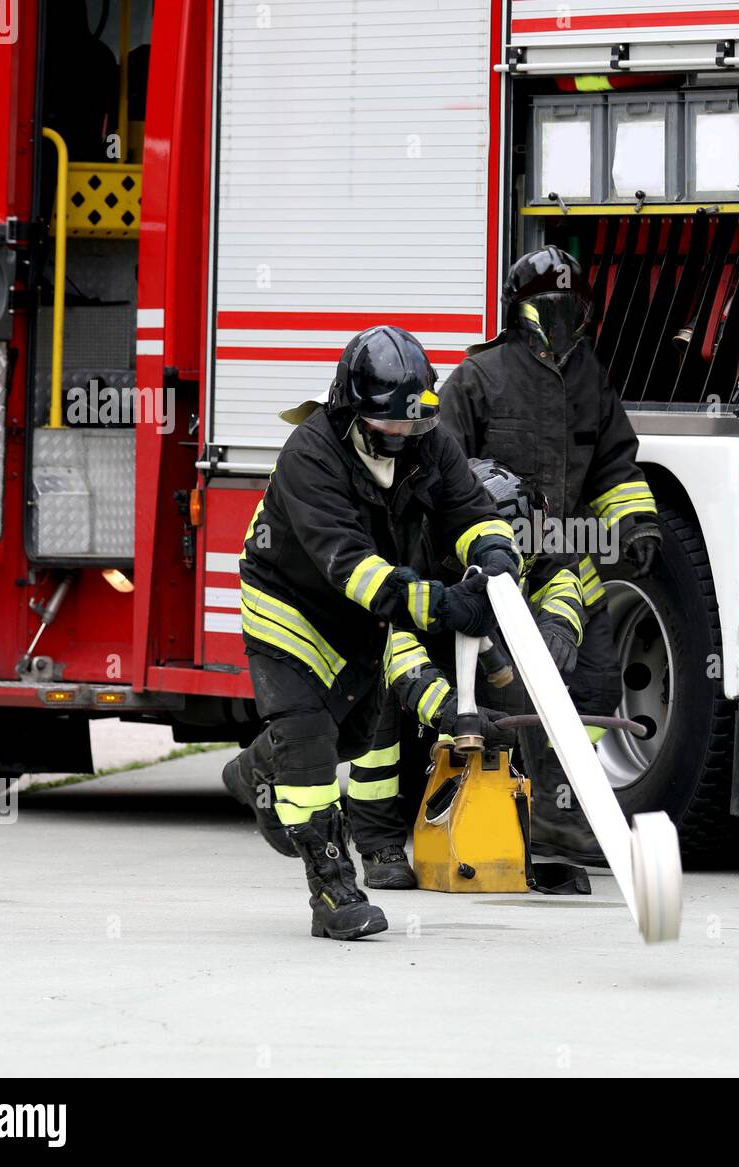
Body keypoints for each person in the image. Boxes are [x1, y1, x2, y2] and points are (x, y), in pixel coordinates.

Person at [222, 326, 521, 941]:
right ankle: (332, 891)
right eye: (389, 427)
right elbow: (349, 565)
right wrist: (442, 606)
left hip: (363, 610)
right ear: (351, 411)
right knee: (308, 740)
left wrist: (495, 558)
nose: (403, 439)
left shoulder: (427, 442)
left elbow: (469, 510)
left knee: (350, 736)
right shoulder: (310, 455)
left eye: (412, 426)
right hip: (291, 605)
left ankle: (257, 770)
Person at [440, 246, 662, 861]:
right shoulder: (478, 377)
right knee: (527, 689)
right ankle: (534, 813)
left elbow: (613, 464)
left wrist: (635, 522)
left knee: (593, 681)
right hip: (504, 569)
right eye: (550, 307)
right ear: (521, 311)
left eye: (572, 307)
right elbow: (442, 470)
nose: (562, 320)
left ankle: (566, 804)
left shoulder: (588, 375)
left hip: (569, 558)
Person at [345, 458, 586, 888]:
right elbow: (394, 647)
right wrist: (445, 707)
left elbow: (561, 576)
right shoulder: (406, 544)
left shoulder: (524, 522)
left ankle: (499, 828)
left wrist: (559, 625)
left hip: (481, 640)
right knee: (381, 707)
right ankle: (378, 842)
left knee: (503, 723)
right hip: (401, 647)